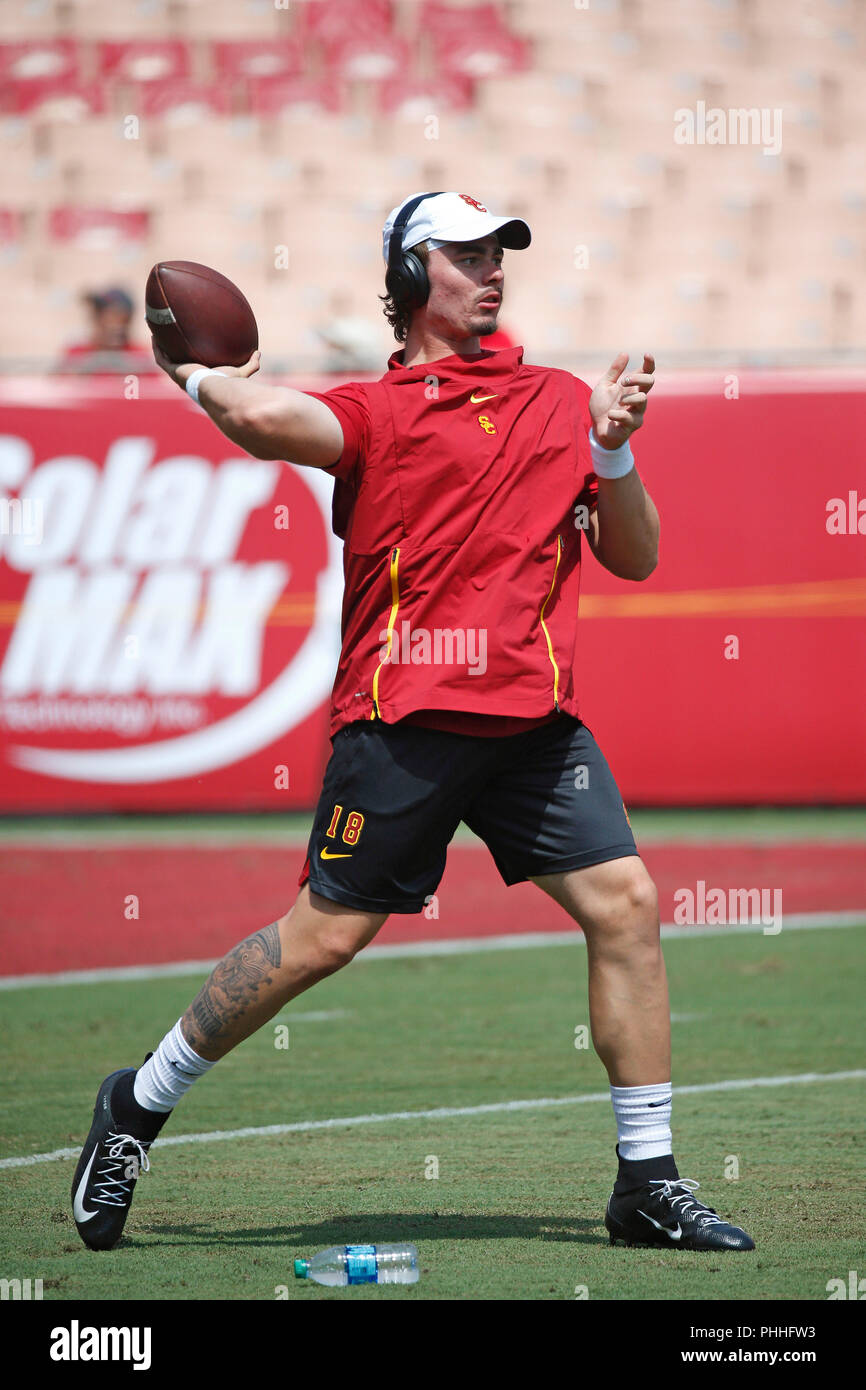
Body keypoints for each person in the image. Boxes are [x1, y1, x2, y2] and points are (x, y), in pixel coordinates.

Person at [71, 190, 754, 1255]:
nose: (492, 268)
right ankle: (138, 1101)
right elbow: (259, 418)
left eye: (499, 252)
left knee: (625, 905)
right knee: (321, 940)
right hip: (404, 719)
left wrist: (612, 452)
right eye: (465, 253)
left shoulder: (562, 401)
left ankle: (646, 1181)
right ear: (406, 279)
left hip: (532, 723)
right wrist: (192, 367)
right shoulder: (377, 413)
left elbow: (635, 556)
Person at [59, 287, 156, 374]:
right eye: (108, 321)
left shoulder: (139, 357)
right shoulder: (75, 355)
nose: (115, 328)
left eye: (120, 321)